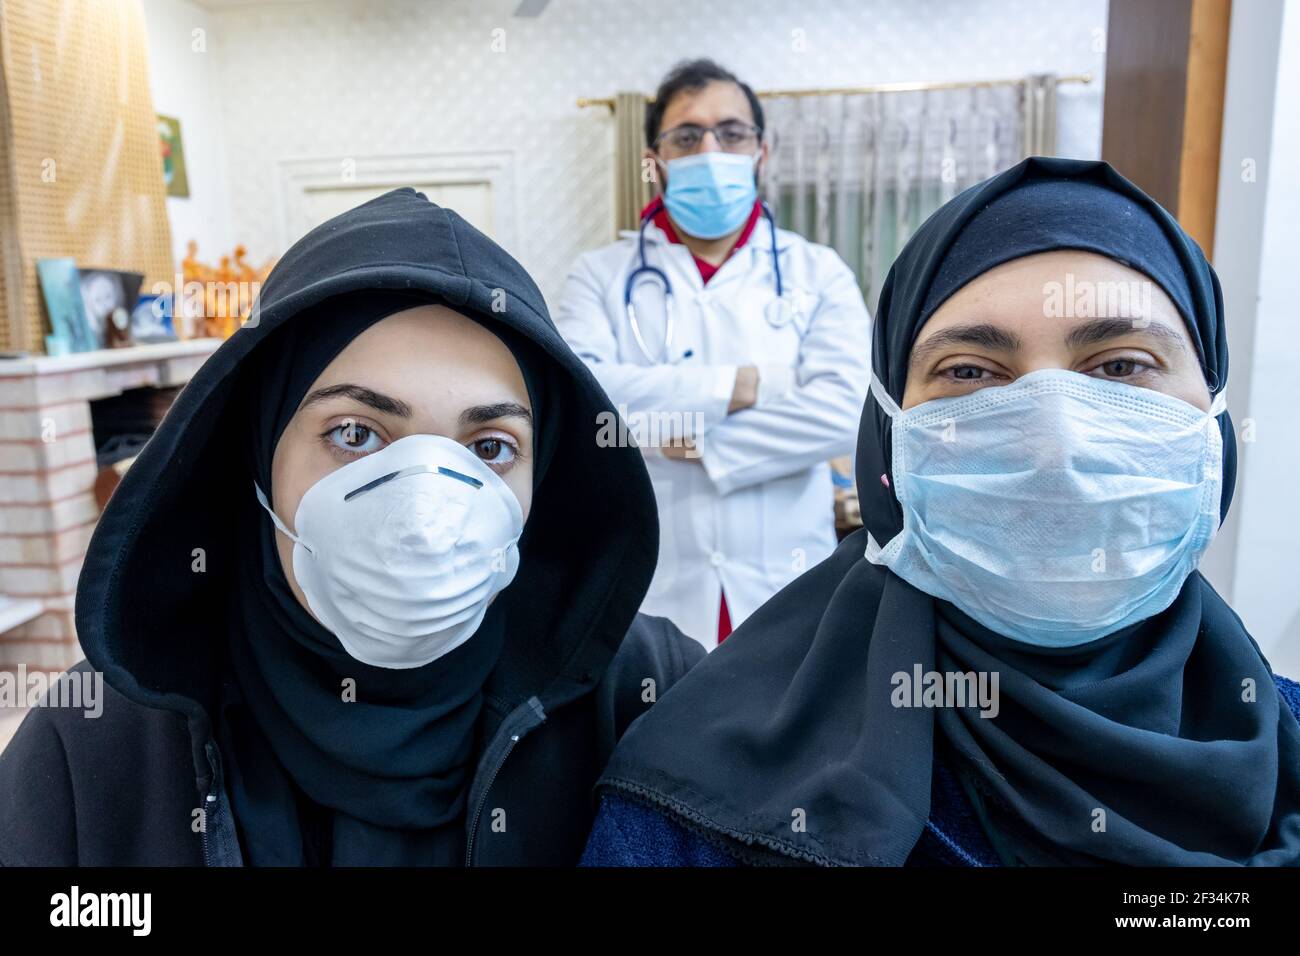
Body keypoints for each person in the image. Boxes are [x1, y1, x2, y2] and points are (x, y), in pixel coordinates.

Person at [580, 157, 1300, 866]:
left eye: (1121, 366)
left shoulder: (1285, 731)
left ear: (1214, 411)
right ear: (888, 431)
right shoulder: (692, 812)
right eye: (969, 372)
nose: (1054, 445)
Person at [0, 188, 703, 866]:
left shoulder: (645, 694)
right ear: (260, 452)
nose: (424, 518)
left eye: (490, 448)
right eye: (356, 433)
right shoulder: (98, 747)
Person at [555, 59, 871, 650]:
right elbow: (586, 403)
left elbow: (846, 410)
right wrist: (747, 385)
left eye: (731, 133)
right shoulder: (599, 276)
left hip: (788, 583)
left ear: (761, 152)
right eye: (686, 136)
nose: (710, 149)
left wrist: (700, 444)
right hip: (653, 587)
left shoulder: (818, 271)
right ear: (655, 161)